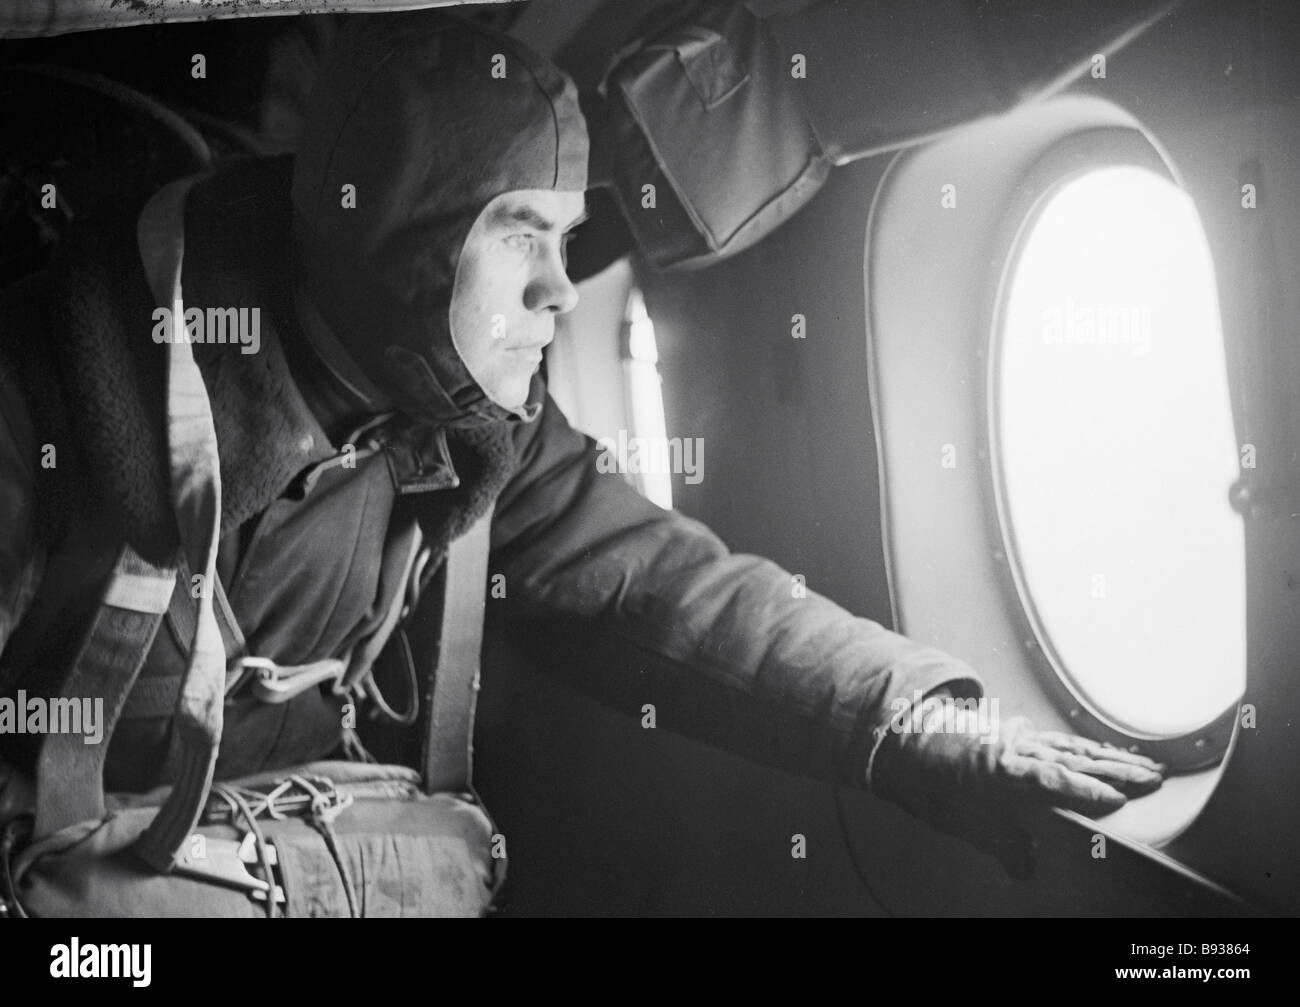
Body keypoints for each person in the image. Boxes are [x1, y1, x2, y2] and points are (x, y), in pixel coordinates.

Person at [0, 11, 1161, 898]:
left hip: (286, 850)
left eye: (563, 241)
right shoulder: (50, 408)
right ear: (399, 244)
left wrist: (916, 719)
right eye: (520, 239)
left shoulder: (475, 435)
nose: (561, 291)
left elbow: (663, 584)